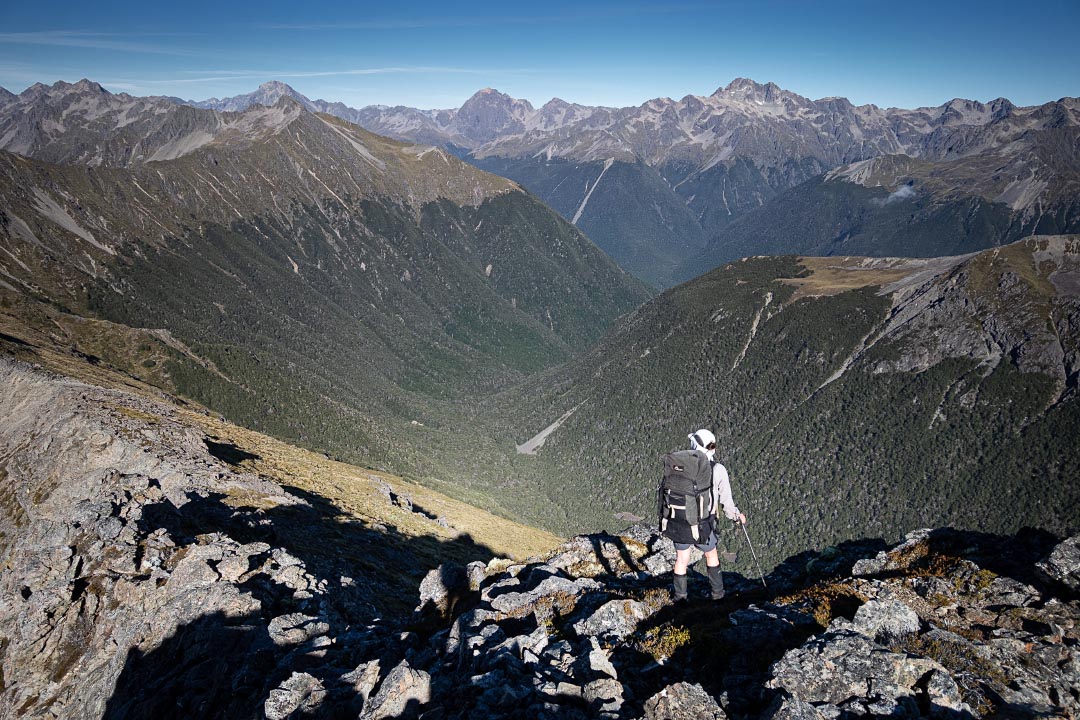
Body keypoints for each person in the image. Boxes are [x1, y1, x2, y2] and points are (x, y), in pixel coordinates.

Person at [670, 428, 746, 602]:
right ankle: (717, 595)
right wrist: (736, 516)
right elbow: (727, 503)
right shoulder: (718, 469)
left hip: (681, 521)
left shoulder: (680, 465)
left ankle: (680, 598)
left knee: (682, 559)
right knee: (711, 555)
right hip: (704, 523)